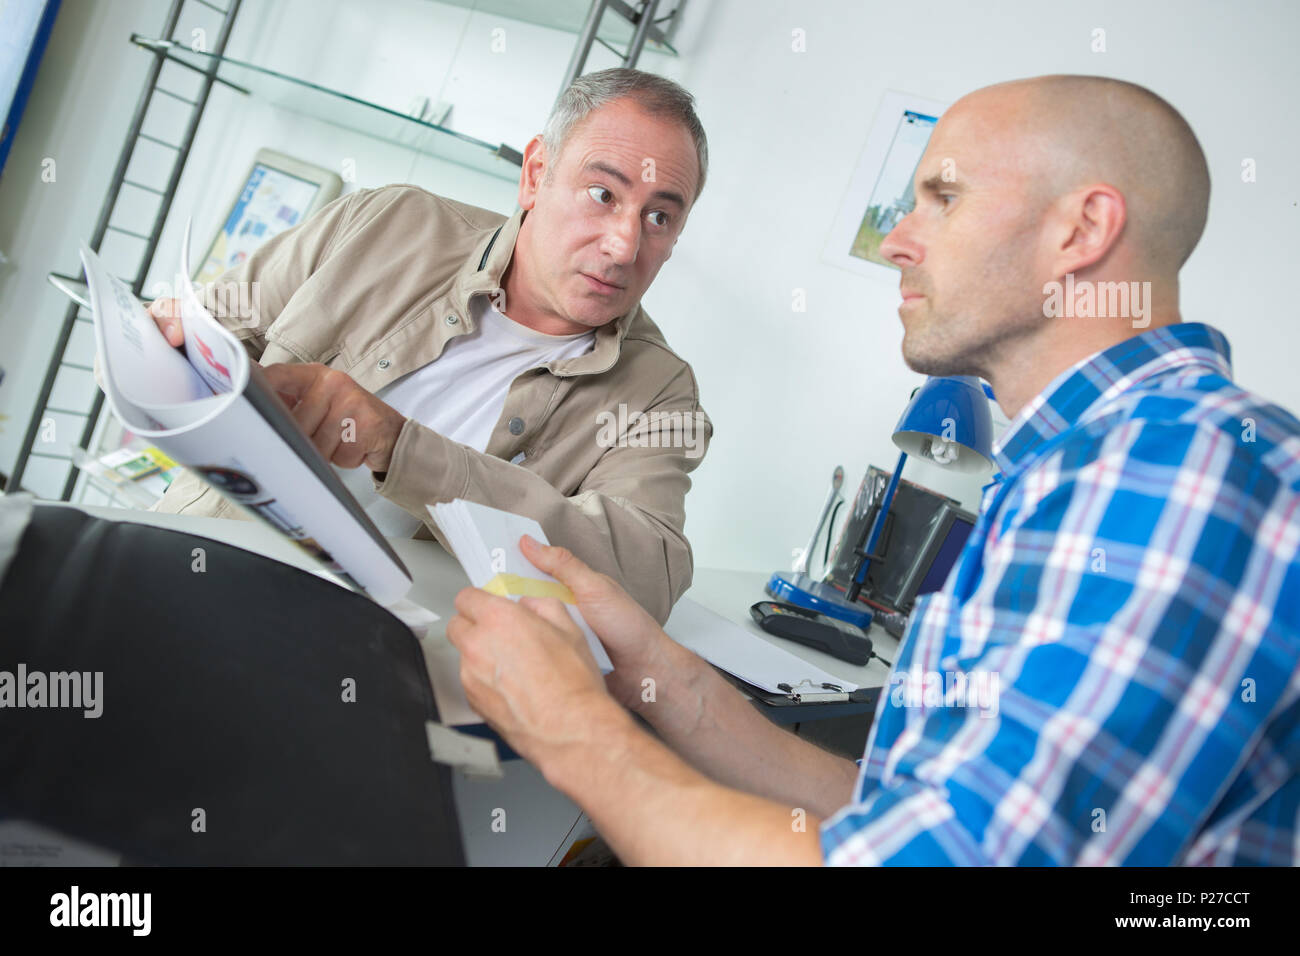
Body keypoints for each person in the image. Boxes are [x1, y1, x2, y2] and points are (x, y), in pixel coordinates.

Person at [443, 74, 1300, 865]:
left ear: (1081, 231)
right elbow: (903, 814)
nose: (897, 240)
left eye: (944, 198)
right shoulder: (1077, 468)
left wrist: (575, 732)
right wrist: (659, 674)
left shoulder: (1183, 467)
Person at [144, 69, 712, 624]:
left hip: (380, 661)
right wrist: (167, 350)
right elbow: (191, 341)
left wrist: (400, 447)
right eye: (601, 193)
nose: (623, 244)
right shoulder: (384, 221)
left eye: (659, 216)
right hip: (186, 573)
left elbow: (645, 582)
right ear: (536, 174)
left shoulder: (660, 393)